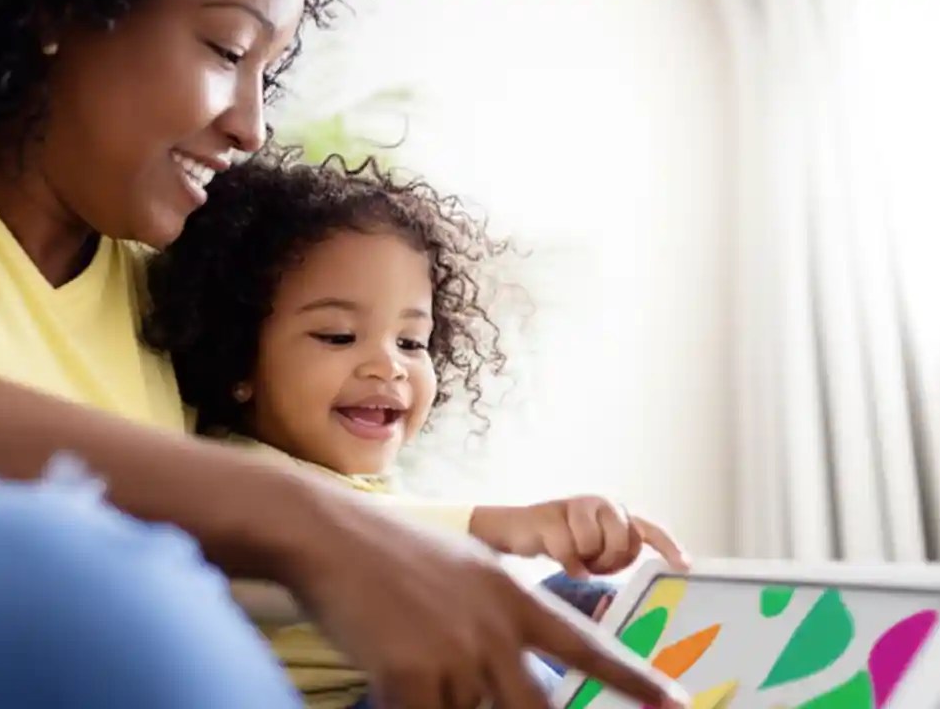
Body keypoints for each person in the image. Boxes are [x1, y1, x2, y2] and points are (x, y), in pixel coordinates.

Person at [0, 0, 690, 707]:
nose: (251, 123)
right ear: (57, 5)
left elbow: (263, 528)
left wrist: (493, 565)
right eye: (227, 48)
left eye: (270, 73)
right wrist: (289, 521)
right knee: (0, 551)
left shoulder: (164, 297)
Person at [142, 149, 685, 707]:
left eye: (411, 342)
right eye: (337, 336)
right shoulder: (233, 470)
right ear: (238, 360)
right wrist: (494, 525)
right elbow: (341, 535)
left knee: (584, 600)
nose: (389, 366)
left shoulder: (377, 493)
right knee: (488, 677)